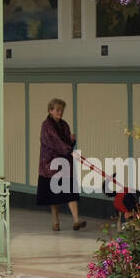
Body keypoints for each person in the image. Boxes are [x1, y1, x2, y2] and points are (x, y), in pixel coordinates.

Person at [37, 97, 85, 231]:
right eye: (57, 110)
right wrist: (70, 149)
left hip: (65, 163)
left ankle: (76, 220)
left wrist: (72, 142)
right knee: (54, 195)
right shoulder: (46, 126)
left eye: (61, 110)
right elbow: (55, 142)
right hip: (50, 165)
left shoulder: (64, 125)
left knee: (70, 191)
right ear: (50, 110)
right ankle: (55, 222)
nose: (60, 113)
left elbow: (66, 143)